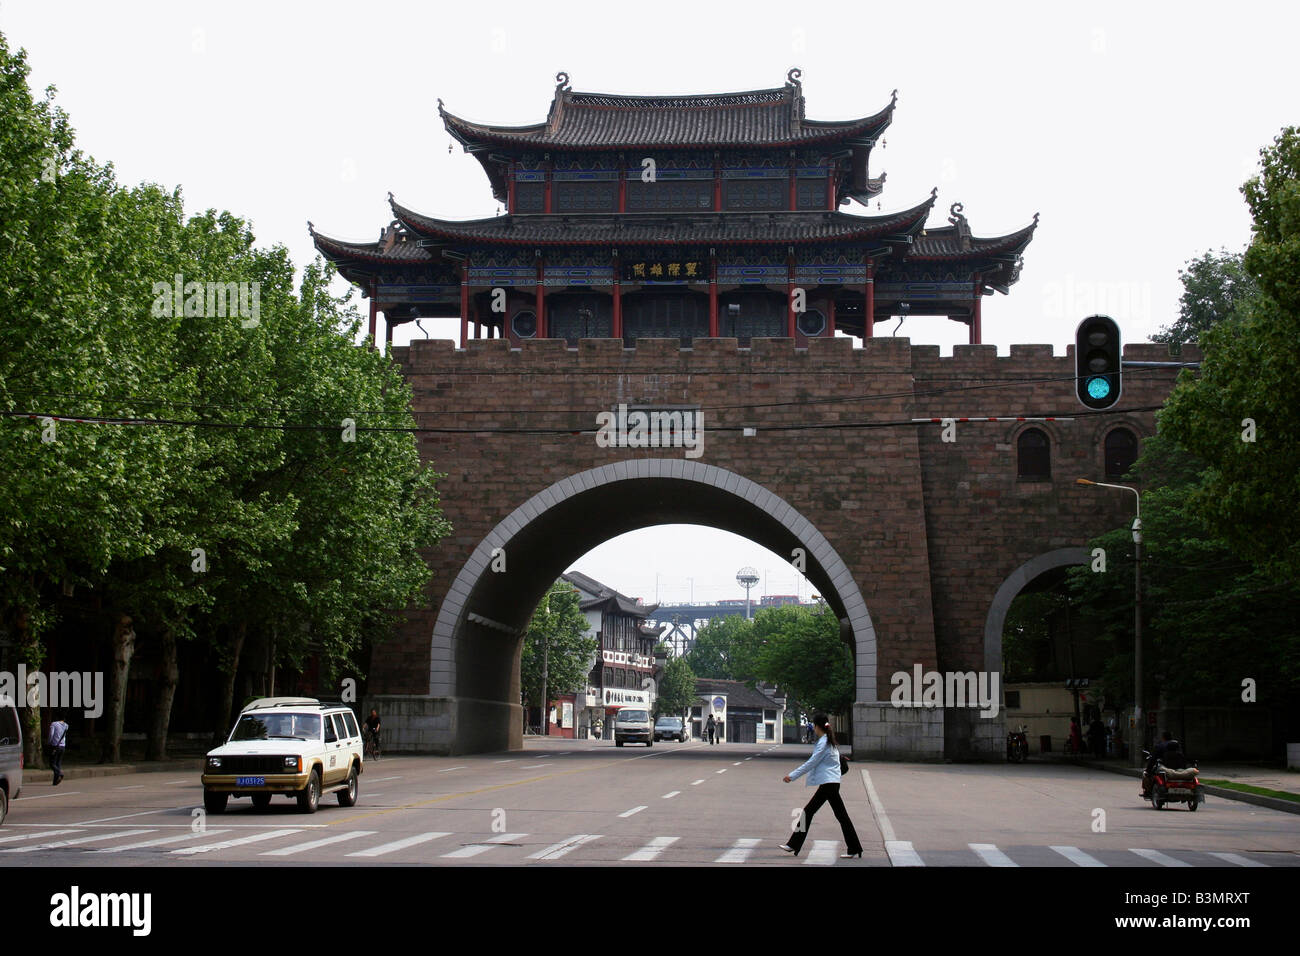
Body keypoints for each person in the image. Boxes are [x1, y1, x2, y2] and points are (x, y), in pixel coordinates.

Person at [780, 713, 863, 859]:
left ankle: (793, 844)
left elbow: (812, 762)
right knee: (840, 816)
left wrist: (791, 776)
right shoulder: (828, 741)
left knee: (809, 812)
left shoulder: (824, 743)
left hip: (829, 784)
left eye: (814, 725)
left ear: (817, 727)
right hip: (831, 783)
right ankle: (854, 847)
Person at [47, 713, 68, 786]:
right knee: (58, 763)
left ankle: (59, 773)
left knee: (52, 763)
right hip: (63, 746)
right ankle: (55, 781)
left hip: (55, 746)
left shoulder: (54, 724)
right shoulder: (66, 725)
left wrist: (49, 742)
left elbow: (51, 734)